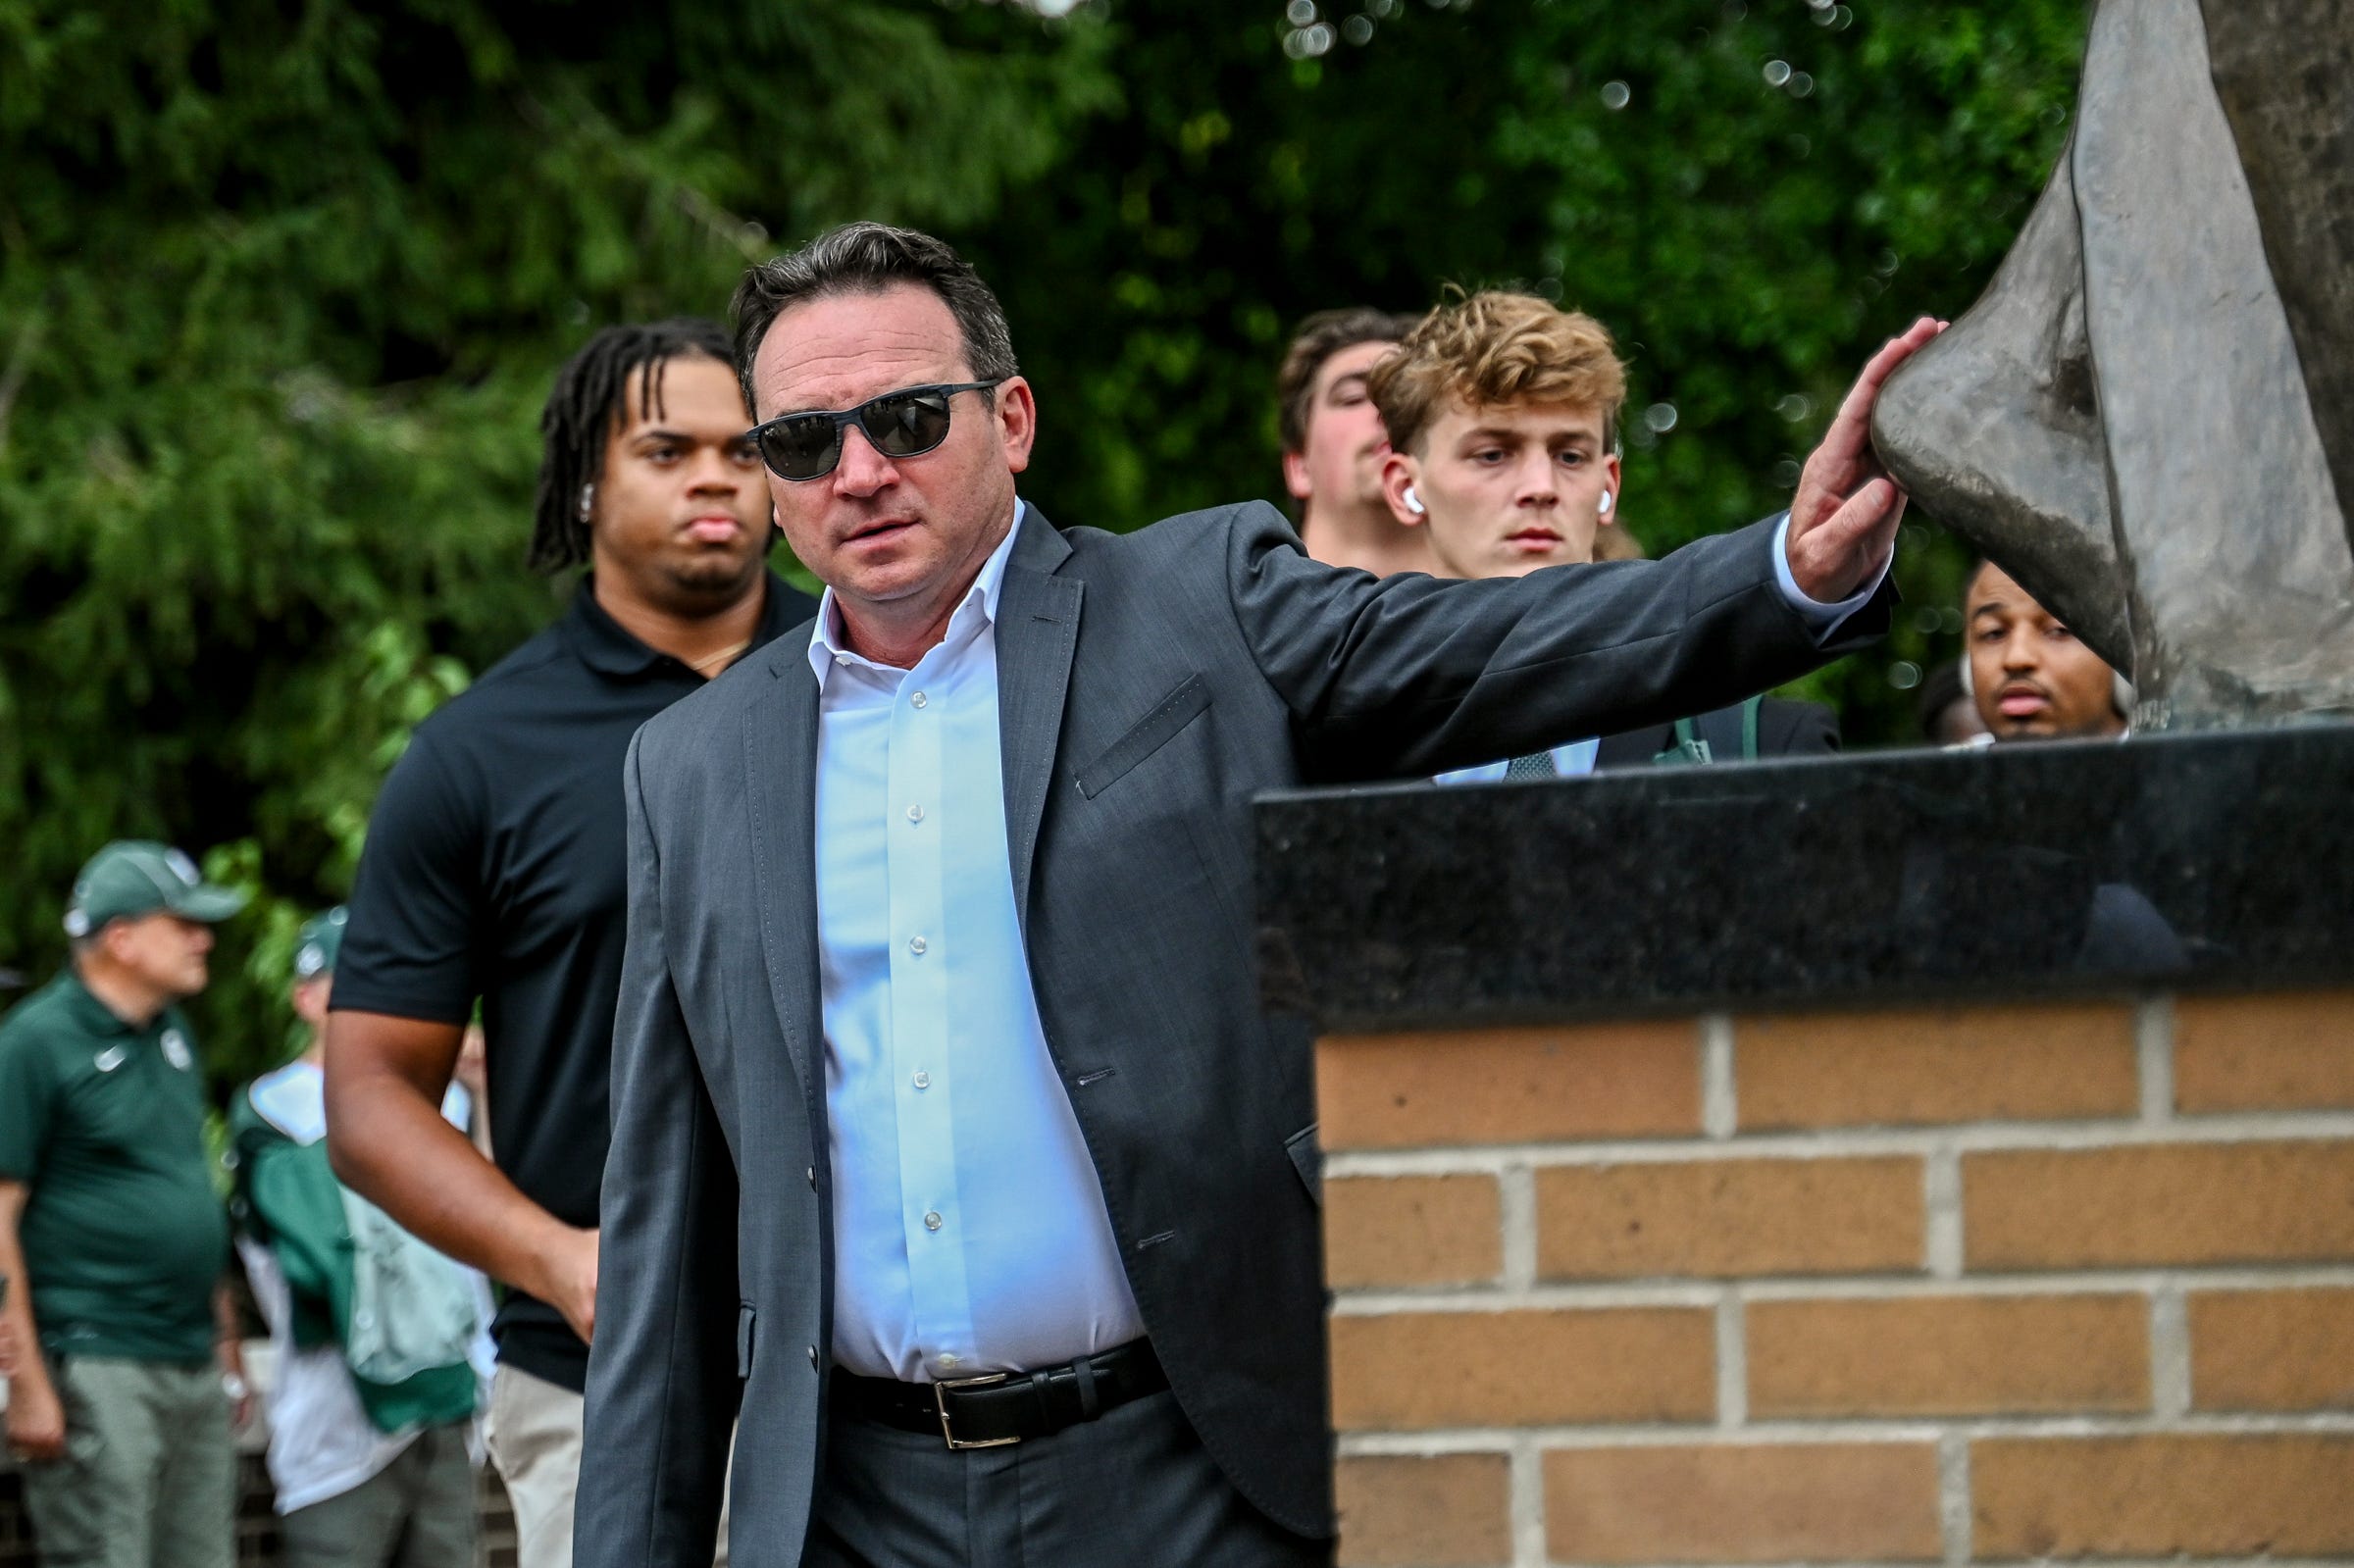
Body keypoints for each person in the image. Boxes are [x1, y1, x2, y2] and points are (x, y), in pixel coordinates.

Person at [574, 221, 1935, 1568]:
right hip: (852, 1508)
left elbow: (1490, 645)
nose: (860, 471)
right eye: (806, 440)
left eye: (909, 418)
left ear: (1015, 418)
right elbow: (664, 1247)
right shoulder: (693, 766)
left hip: (1192, 1475)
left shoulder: (1197, 603)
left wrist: (1785, 572)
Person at [323, 318, 818, 1568]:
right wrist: (561, 1262)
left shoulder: (883, 678)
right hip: (607, 1386)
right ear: (588, 481)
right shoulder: (479, 755)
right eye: (666, 448)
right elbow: (371, 1095)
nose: (716, 475)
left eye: (744, 447)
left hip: (885, 1368)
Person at [1368, 290, 1838, 776]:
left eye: (1569, 456)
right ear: (1405, 487)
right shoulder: (1322, 749)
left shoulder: (1764, 745)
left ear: (1608, 487)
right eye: (1493, 454)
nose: (1540, 487)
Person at [0, 841, 251, 1568]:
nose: (204, 938)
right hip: (98, 1358)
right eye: (185, 923)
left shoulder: (172, 1035)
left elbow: (188, 1194)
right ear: (121, 937)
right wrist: (29, 1384)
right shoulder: (33, 1044)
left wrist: (225, 1345)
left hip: (189, 1362)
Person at [232, 908, 482, 1567]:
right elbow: (315, 1267)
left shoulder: (449, 1095)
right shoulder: (269, 1111)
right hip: (336, 1425)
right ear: (307, 995)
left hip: (450, 1409)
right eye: (352, 980)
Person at [1276, 308, 1432, 576]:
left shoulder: (1511, 609)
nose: (1388, 410)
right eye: (1353, 397)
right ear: (1300, 467)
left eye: (1407, 397)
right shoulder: (1223, 609)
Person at [1964, 558, 2131, 741]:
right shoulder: (1942, 769)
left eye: (2059, 630)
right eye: (1994, 633)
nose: (2016, 658)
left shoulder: (2166, 767)